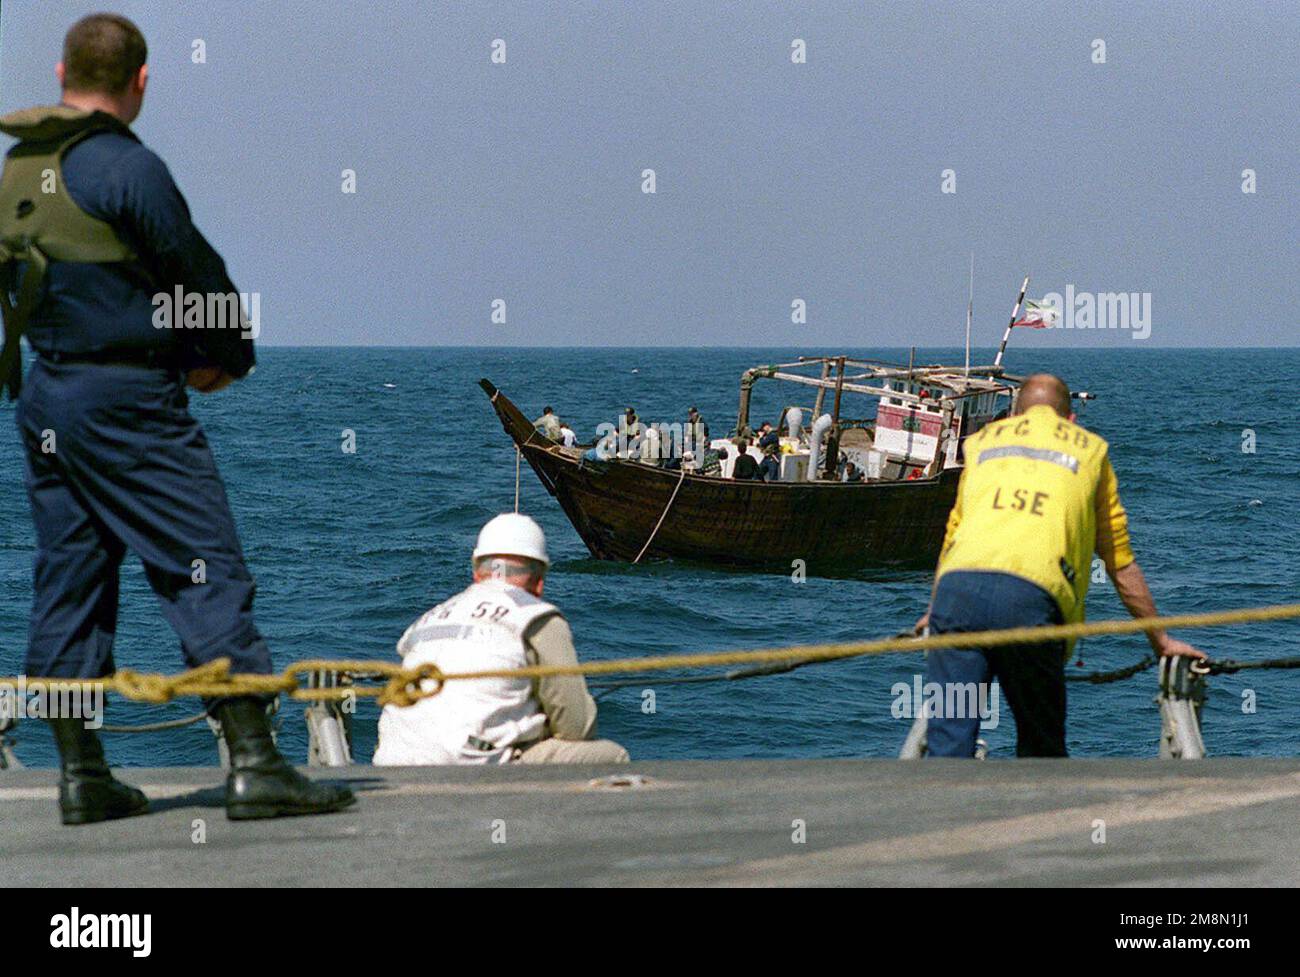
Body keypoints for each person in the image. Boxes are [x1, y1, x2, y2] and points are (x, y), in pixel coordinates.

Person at [0, 14, 354, 824]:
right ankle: (257, 762)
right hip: (128, 403)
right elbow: (196, 272)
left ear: (60, 74)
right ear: (142, 80)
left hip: (45, 401)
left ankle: (82, 774)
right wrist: (227, 357)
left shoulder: (19, 171)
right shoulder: (128, 168)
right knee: (202, 564)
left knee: (69, 582)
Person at [913, 374, 1205, 758]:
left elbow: (954, 537)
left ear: (1014, 415)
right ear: (1071, 419)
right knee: (1041, 747)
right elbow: (1118, 560)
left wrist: (935, 610)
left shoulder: (982, 444)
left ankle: (945, 813)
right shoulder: (1091, 451)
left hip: (957, 597)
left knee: (949, 741)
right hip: (1030, 601)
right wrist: (1160, 641)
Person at [374, 514, 629, 766]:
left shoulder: (425, 620)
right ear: (540, 582)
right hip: (466, 765)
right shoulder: (536, 618)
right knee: (611, 756)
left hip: (390, 762)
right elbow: (577, 728)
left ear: (477, 572)